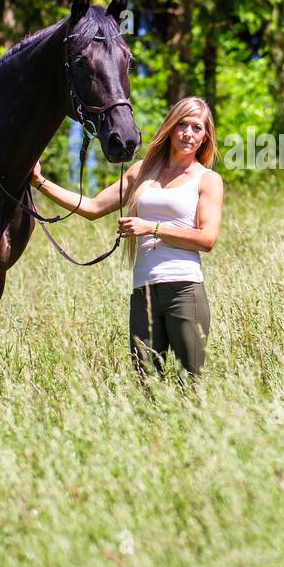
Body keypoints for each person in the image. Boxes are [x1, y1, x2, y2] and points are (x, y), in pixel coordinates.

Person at [32, 97, 224, 375]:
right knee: (145, 385)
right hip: (143, 292)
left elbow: (207, 239)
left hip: (184, 290)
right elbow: (93, 207)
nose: (188, 133)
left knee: (190, 385)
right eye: (182, 124)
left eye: (197, 128)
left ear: (205, 136)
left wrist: (152, 228)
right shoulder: (142, 171)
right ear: (170, 128)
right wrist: (39, 182)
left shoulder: (207, 179)